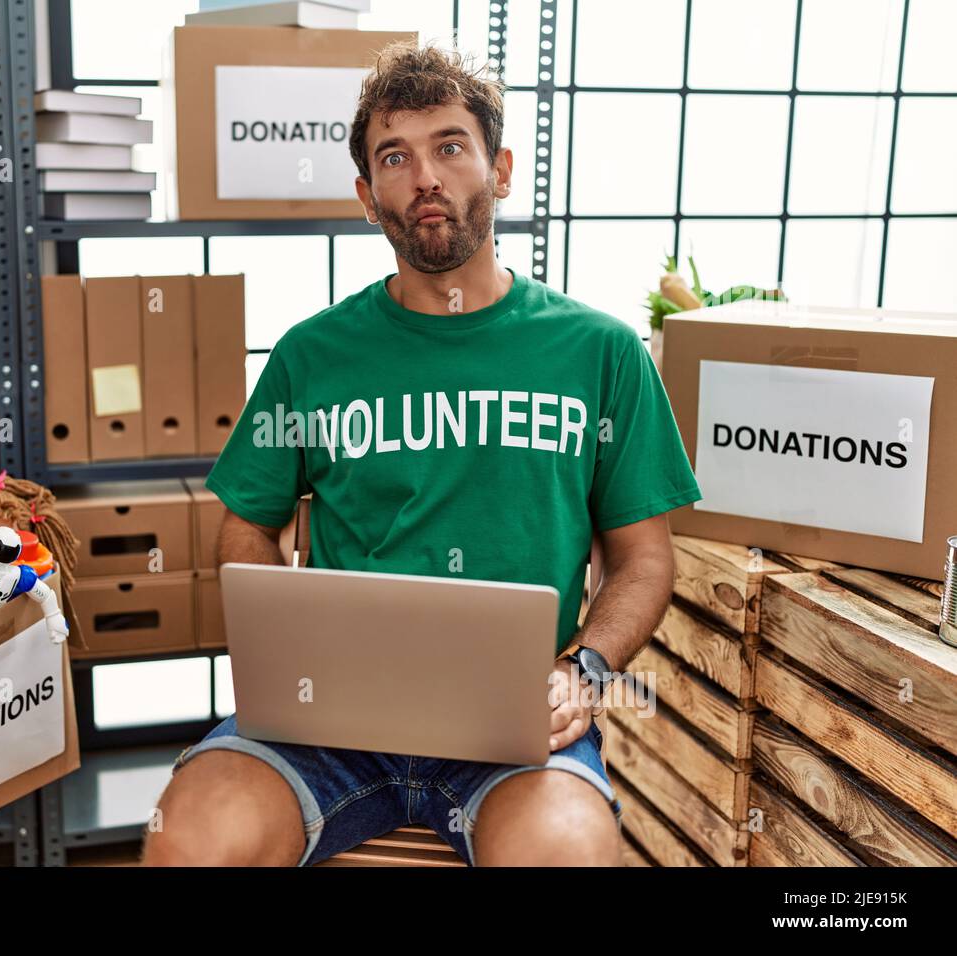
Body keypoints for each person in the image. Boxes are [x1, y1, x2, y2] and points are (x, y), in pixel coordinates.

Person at [142, 39, 702, 867]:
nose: (426, 177)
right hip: (324, 728)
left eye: (450, 147)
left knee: (572, 852)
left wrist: (583, 670)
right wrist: (272, 659)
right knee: (191, 838)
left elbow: (645, 561)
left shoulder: (602, 353)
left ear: (501, 170)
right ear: (369, 197)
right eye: (394, 158)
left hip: (513, 733)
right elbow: (247, 524)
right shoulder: (311, 355)